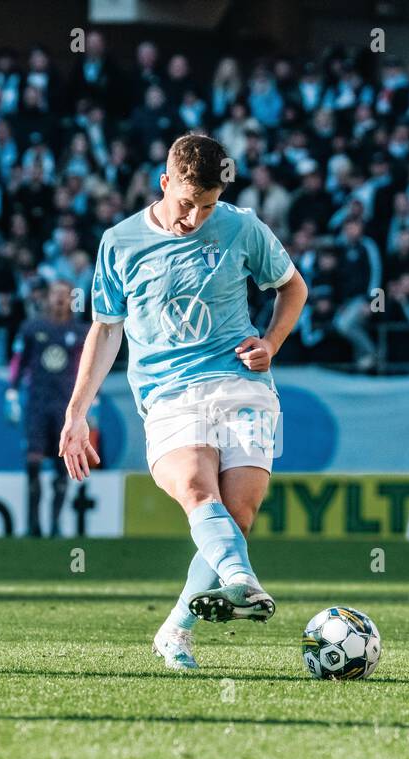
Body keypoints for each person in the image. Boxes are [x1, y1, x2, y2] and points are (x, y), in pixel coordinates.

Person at [59, 133, 308, 670]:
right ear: (164, 183)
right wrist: (77, 411)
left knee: (237, 513)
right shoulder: (120, 242)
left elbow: (293, 288)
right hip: (168, 393)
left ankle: (175, 630)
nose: (194, 218)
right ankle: (243, 582)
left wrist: (271, 342)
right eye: (186, 203)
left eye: (207, 206)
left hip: (242, 385)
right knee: (197, 488)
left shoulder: (241, 227)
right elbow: (105, 332)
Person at [8, 280, 83, 537]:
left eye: (65, 295)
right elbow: (19, 361)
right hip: (37, 405)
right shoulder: (33, 328)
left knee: (63, 468)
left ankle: (55, 524)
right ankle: (32, 524)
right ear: (48, 298)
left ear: (72, 299)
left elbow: (88, 371)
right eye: (56, 294)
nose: (60, 299)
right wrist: (11, 392)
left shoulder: (81, 332)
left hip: (66, 408)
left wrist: (90, 405)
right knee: (33, 463)